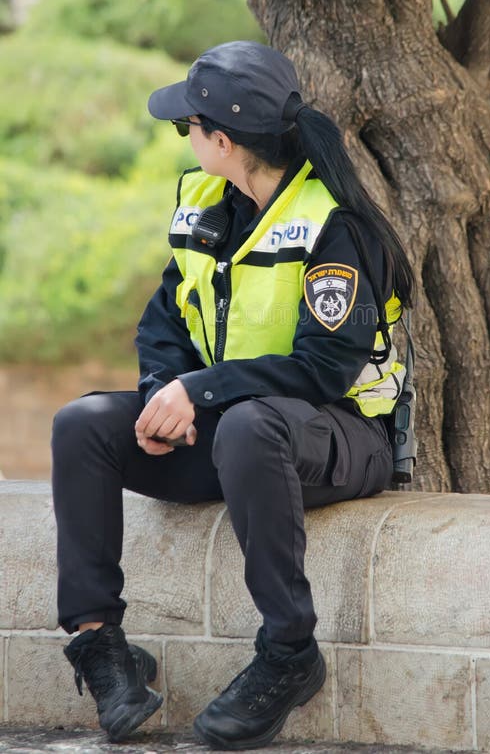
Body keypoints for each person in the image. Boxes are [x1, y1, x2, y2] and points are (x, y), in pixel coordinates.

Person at [51, 40, 415, 750]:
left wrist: (202, 389)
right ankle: (102, 647)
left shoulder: (331, 227)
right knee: (83, 423)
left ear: (223, 139)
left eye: (187, 125)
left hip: (341, 438)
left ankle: (289, 651)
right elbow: (164, 323)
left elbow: (325, 369)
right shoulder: (205, 205)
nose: (183, 136)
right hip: (233, 432)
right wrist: (165, 396)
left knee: (250, 426)